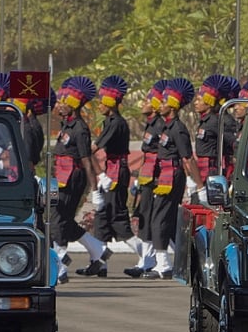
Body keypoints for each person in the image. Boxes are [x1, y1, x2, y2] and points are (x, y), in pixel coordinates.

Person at [51, 76, 111, 283]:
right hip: (60, 178)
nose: (60, 105)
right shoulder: (67, 125)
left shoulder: (80, 128)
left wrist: (95, 189)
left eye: (64, 102)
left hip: (72, 179)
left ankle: (59, 264)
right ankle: (97, 249)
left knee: (58, 219)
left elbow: (86, 159)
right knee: (60, 219)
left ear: (74, 105)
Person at [144, 78, 200, 280]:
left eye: (165, 101)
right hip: (164, 176)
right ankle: (176, 260)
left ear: (174, 105)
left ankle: (164, 265)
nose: (160, 104)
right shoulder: (167, 127)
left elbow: (187, 157)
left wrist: (196, 184)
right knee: (162, 218)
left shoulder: (178, 128)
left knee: (160, 218)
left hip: (172, 177)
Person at [81, 75, 135, 277]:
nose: (100, 106)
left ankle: (147, 257)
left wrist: (96, 170)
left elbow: (93, 149)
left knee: (117, 217)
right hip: (110, 169)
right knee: (102, 218)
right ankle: (99, 263)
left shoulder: (116, 123)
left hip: (116, 172)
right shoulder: (109, 122)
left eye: (103, 102)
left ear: (111, 103)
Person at [124, 81, 166, 279]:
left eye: (148, 101)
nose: (143, 103)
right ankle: (147, 260)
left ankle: (151, 261)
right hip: (146, 176)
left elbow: (161, 154)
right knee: (144, 216)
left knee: (150, 217)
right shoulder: (151, 124)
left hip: (155, 178)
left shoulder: (160, 126)